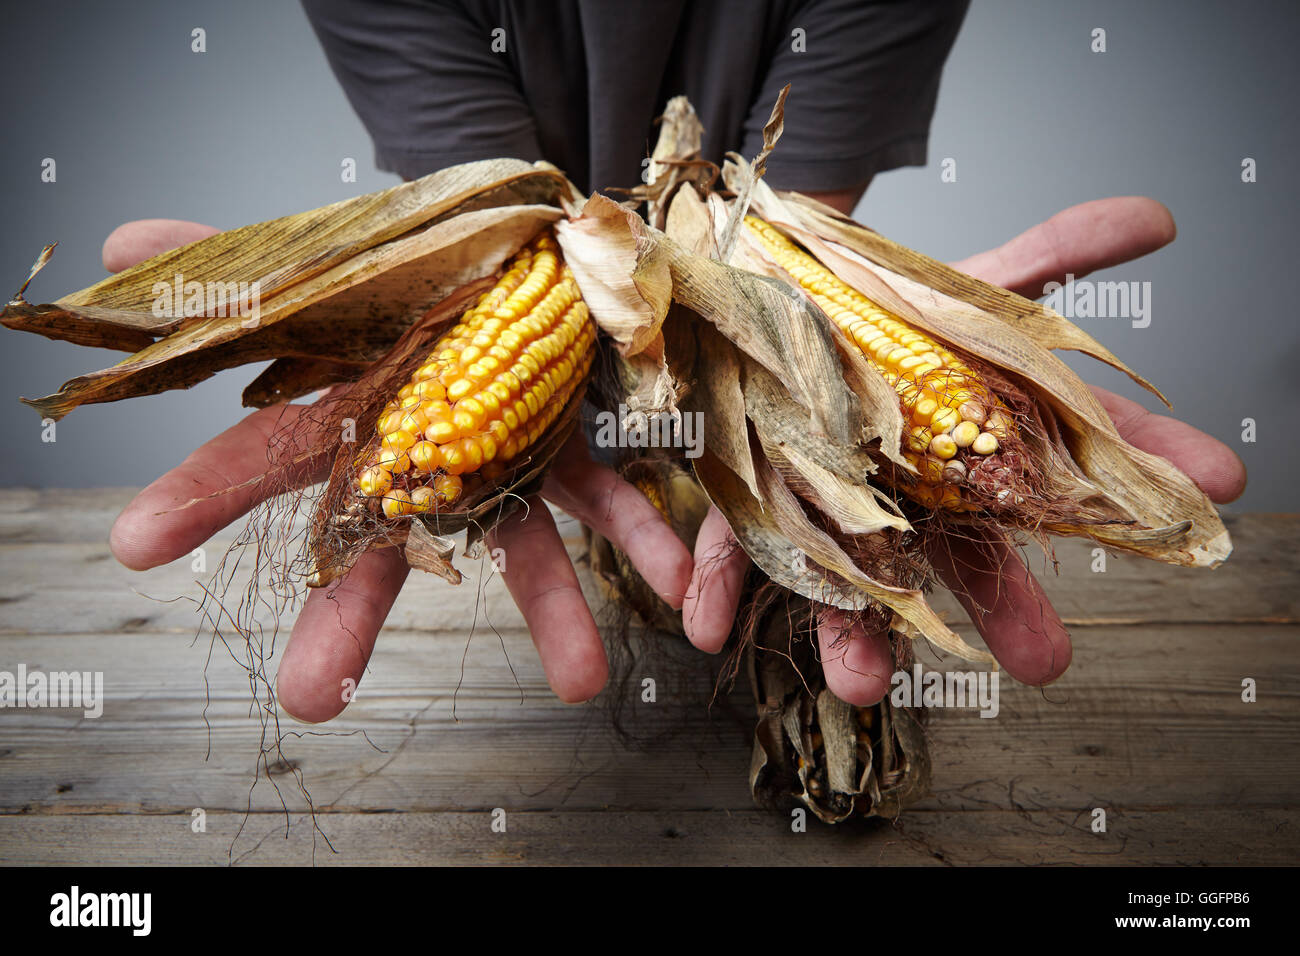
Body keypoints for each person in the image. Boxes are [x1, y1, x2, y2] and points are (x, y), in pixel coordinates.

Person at [103, 1, 1246, 723]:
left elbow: (755, 252)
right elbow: (498, 224)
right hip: (582, 414)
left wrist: (839, 338)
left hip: (732, 356)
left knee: (800, 636)